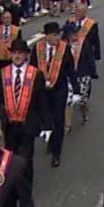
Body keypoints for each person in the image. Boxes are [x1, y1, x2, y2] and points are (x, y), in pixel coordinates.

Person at [0, 39, 50, 186]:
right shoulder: (4, 73)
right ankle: (13, 184)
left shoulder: (36, 75)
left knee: (25, 158)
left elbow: (42, 101)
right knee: (10, 156)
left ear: (26, 56)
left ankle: (25, 186)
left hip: (28, 123)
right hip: (10, 124)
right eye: (14, 53)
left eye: (20, 53)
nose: (17, 56)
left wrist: (47, 125)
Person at [31, 22, 76, 168]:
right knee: (46, 117)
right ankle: (51, 140)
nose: (57, 38)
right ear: (47, 36)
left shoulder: (64, 48)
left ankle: (57, 153)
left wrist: (75, 90)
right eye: (54, 35)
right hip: (43, 90)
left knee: (58, 120)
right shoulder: (38, 49)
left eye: (58, 34)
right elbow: (32, 69)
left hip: (59, 88)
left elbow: (70, 70)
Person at [64, 4, 100, 128]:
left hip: (83, 73)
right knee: (68, 99)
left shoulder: (84, 43)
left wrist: (93, 71)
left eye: (74, 34)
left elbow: (90, 55)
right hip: (69, 75)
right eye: (71, 34)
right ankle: (67, 125)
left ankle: (85, 114)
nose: (73, 36)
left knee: (82, 99)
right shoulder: (64, 46)